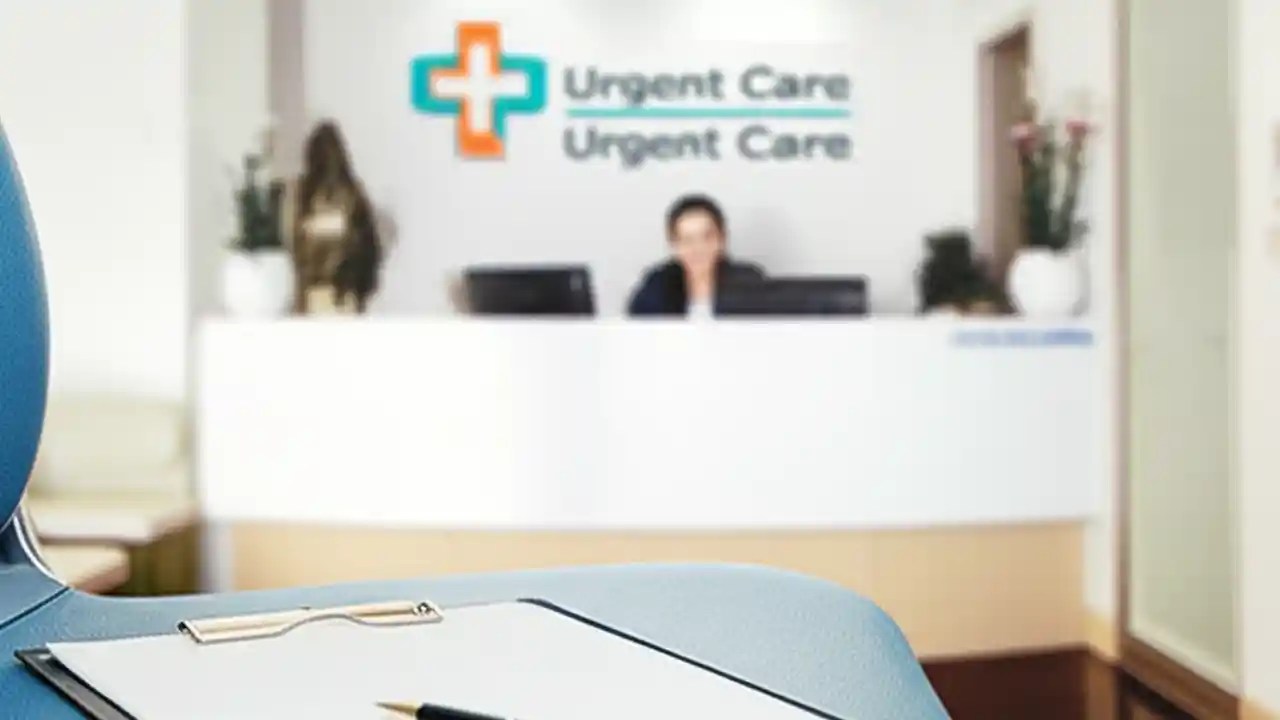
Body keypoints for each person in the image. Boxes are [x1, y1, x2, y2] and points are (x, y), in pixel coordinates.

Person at [288, 121, 383, 314]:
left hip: (312, 293)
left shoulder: (303, 197)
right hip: (347, 292)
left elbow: (294, 245)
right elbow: (370, 247)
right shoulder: (353, 196)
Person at [627, 195, 764, 317]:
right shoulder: (657, 286)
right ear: (673, 245)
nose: (698, 248)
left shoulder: (748, 282)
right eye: (687, 240)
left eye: (706, 238)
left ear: (722, 239)